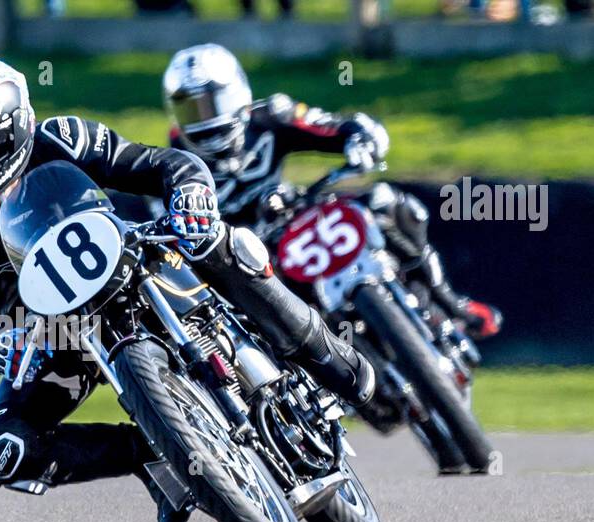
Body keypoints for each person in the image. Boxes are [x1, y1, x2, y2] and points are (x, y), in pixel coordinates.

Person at [0, 59, 375, 522]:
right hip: (53, 334)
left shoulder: (64, 138)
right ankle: (153, 454)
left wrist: (190, 194)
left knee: (218, 242)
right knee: (8, 448)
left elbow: (163, 164)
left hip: (134, 257)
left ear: (10, 133)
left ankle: (324, 353)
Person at [162, 43, 503, 340]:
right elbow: (169, 232)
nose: (201, 119)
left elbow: (335, 125)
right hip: (251, 259)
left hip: (295, 218)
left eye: (209, 103)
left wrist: (360, 140)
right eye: (189, 108)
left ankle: (447, 302)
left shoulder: (271, 115)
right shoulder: (171, 162)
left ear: (235, 94)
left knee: (391, 204)